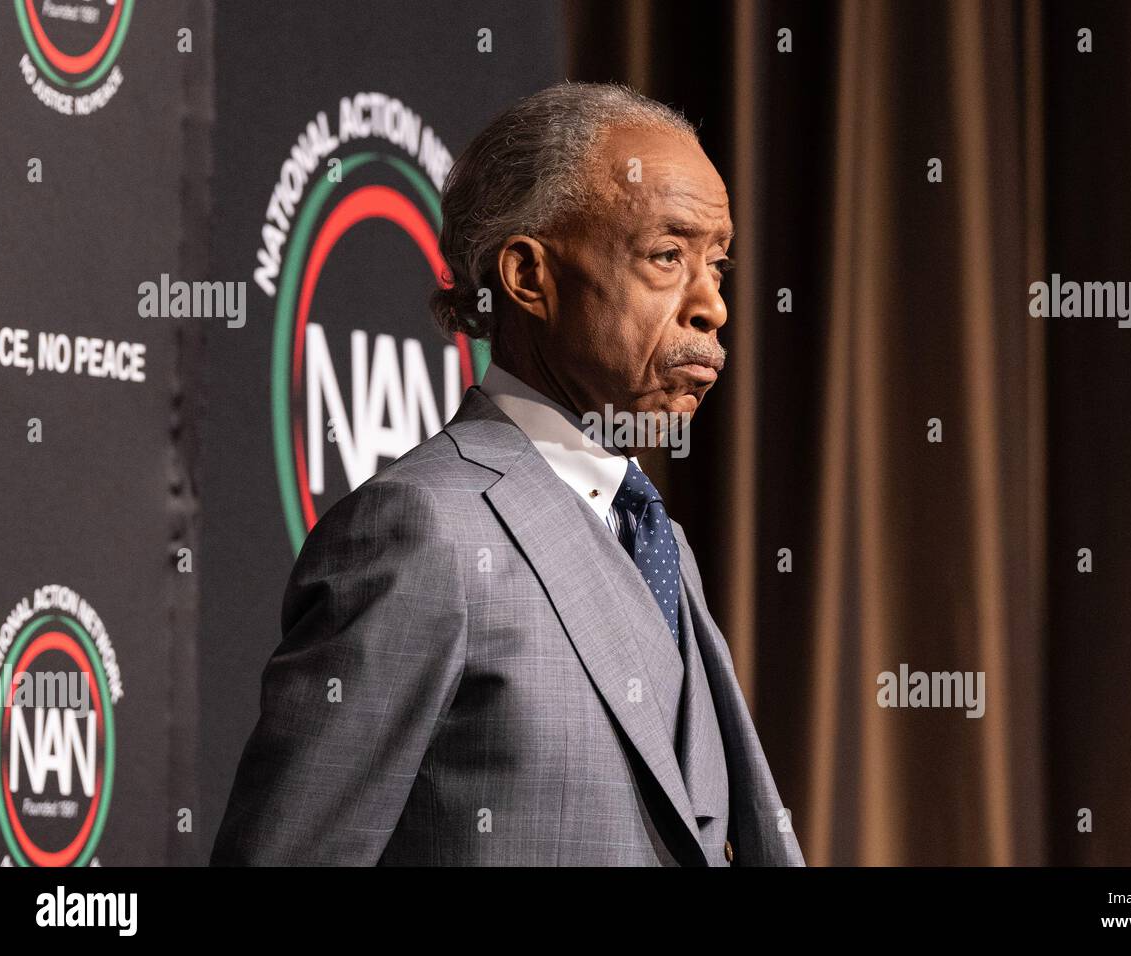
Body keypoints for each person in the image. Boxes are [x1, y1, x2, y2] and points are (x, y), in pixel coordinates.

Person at [211, 81, 804, 866]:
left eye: (716, 265)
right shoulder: (422, 533)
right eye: (667, 256)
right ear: (529, 278)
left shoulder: (656, 540)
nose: (713, 308)